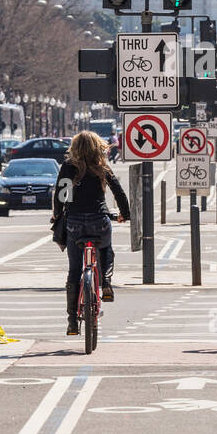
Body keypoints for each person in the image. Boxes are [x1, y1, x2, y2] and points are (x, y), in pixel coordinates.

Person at [51, 130, 130, 335]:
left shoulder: (69, 167)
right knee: (106, 249)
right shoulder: (101, 166)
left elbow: (60, 195)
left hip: (75, 222)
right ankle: (106, 282)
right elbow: (119, 192)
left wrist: (57, 215)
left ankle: (72, 321)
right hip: (99, 220)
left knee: (74, 270)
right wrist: (125, 213)